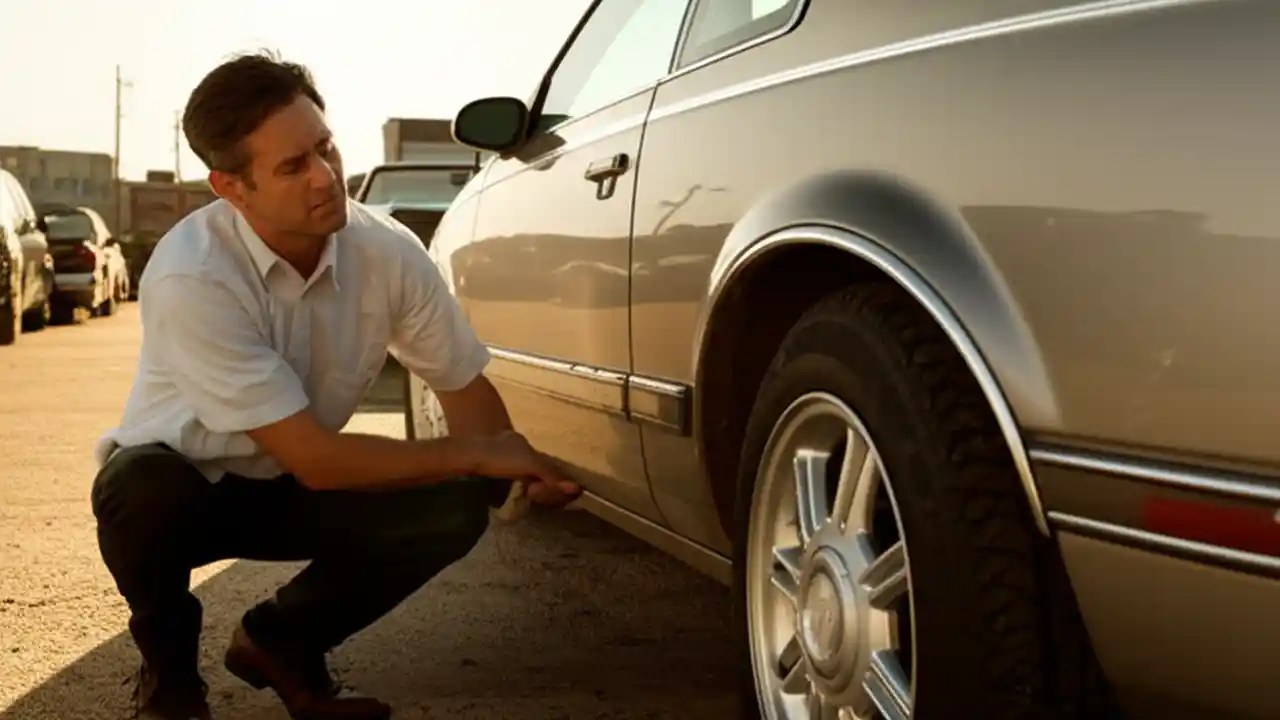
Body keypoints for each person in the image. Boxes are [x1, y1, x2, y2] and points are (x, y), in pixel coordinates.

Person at [90, 51, 581, 720]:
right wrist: (477, 454)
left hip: (298, 481)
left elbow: (463, 390)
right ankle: (170, 683)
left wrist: (511, 471)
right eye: (293, 167)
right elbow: (317, 460)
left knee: (456, 504)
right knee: (134, 487)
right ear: (232, 189)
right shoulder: (191, 275)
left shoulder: (386, 250)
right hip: (191, 488)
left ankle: (281, 641)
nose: (327, 179)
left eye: (326, 148)